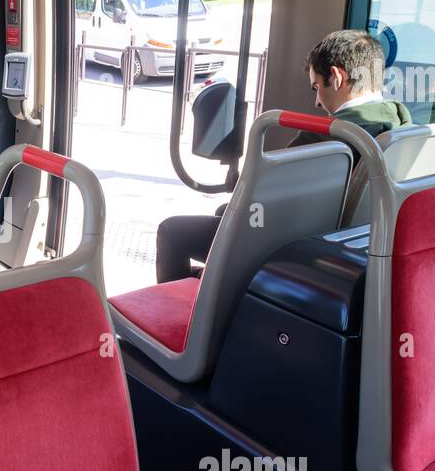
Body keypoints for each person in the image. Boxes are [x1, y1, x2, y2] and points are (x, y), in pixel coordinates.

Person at [154, 29, 413, 284]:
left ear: (335, 77)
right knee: (224, 212)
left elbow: (262, 195)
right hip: (356, 236)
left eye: (316, 88)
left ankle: (193, 315)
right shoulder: (403, 125)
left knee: (172, 232)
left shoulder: (324, 139)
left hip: (294, 242)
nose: (317, 103)